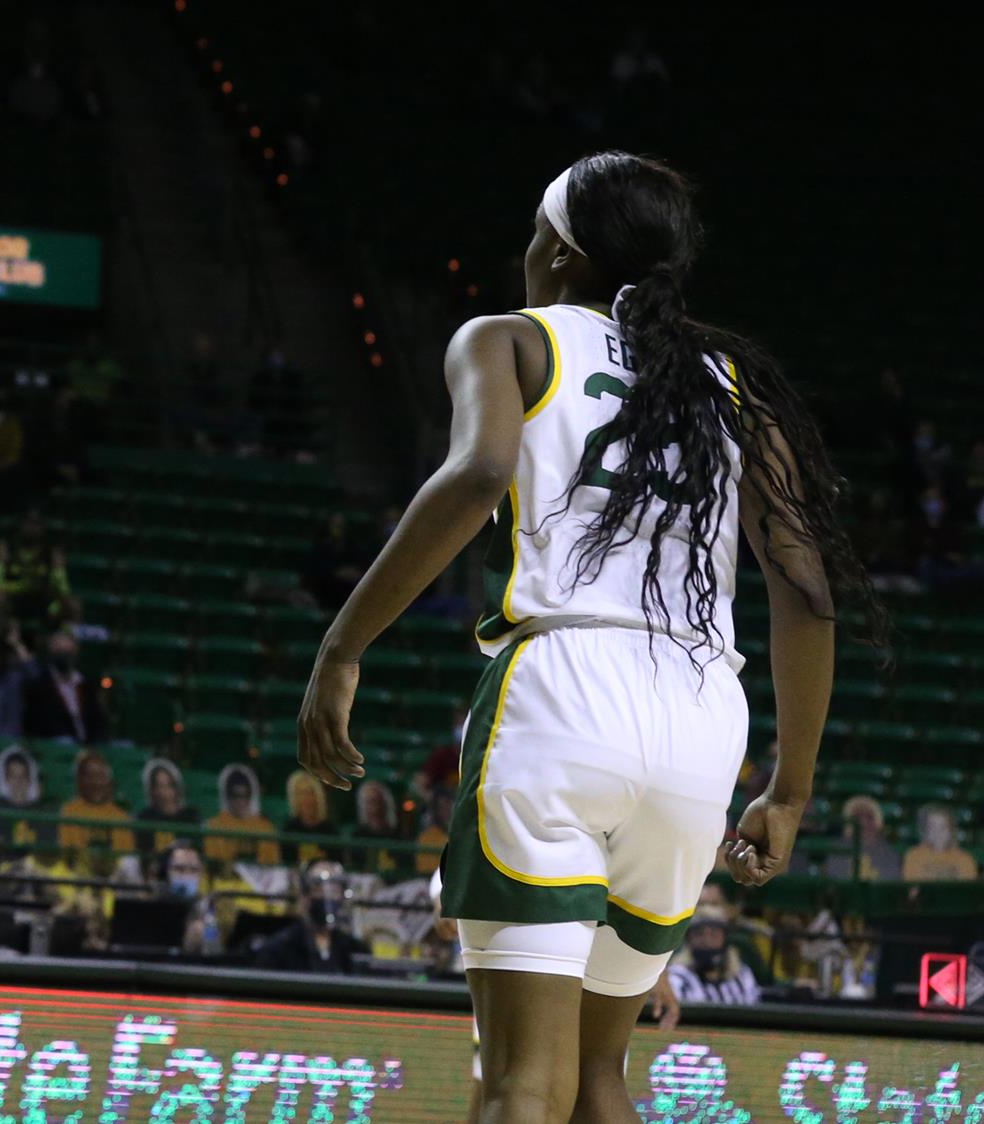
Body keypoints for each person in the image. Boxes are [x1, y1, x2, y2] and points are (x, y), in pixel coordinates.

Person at [297, 152, 880, 1123]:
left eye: (531, 230)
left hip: (561, 692)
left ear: (558, 251)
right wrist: (788, 789)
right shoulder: (728, 382)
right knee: (595, 1075)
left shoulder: (509, 340)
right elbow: (807, 592)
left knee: (520, 1079)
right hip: (700, 724)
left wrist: (342, 646)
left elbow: (478, 472)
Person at [250, 861, 362, 973]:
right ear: (304, 896)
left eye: (334, 891)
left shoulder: (355, 950)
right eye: (318, 890)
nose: (326, 897)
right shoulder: (277, 950)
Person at [662, 905, 760, 1005]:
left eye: (714, 934)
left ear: (725, 939)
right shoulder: (677, 976)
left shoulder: (742, 975)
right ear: (689, 939)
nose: (707, 940)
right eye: (699, 933)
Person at [23, 631, 107, 743]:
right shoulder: (40, 685)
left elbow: (97, 721)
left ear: (76, 652)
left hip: (88, 746)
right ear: (51, 652)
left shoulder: (86, 685)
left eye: (68, 652)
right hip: (55, 747)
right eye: (60, 652)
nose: (64, 657)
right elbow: (38, 723)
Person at [57, 749, 134, 855]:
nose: (96, 782)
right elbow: (70, 852)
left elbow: (124, 857)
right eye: (89, 776)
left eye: (100, 776)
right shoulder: (68, 811)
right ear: (80, 780)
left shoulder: (121, 816)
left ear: (109, 781)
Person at [203, 764, 279, 866]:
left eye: (245, 795)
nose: (240, 801)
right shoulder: (214, 825)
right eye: (235, 795)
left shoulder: (266, 828)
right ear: (227, 796)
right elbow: (214, 862)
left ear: (251, 795)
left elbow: (271, 865)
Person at [822, 794, 902, 882]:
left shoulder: (890, 853)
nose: (863, 822)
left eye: (869, 817)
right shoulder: (837, 849)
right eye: (857, 817)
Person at [136, 758, 201, 854]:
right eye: (159, 786)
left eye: (169, 785)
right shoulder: (145, 817)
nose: (165, 793)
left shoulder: (191, 815)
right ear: (152, 791)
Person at [902, 804, 979, 881]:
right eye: (932, 827)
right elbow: (911, 891)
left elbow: (967, 891)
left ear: (951, 830)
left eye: (943, 827)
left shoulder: (965, 859)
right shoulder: (913, 856)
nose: (937, 833)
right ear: (925, 831)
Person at [282, 771, 333, 866]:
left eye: (310, 793)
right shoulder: (288, 830)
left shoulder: (330, 830)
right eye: (301, 794)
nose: (306, 799)